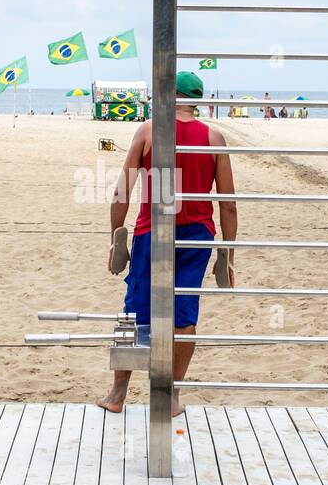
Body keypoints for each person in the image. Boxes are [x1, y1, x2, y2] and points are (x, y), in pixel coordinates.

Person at [100, 72, 235, 417]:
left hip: (152, 231)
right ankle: (171, 397)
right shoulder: (215, 138)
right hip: (197, 234)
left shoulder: (148, 130)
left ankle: (117, 394)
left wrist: (118, 234)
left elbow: (122, 189)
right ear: (198, 99)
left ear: (169, 94)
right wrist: (227, 254)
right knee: (184, 314)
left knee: (136, 311)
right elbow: (228, 202)